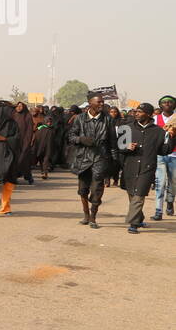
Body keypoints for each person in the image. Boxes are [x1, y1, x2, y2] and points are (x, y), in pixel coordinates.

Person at [118, 103, 175, 233]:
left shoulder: (158, 131)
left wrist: (172, 138)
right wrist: (126, 147)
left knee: (139, 195)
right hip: (130, 167)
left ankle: (133, 224)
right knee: (132, 194)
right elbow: (119, 146)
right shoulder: (126, 128)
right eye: (136, 111)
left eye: (140, 112)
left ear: (149, 114)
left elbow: (164, 150)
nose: (136, 113)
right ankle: (139, 218)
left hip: (147, 167)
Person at [68, 94, 118, 228]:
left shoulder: (108, 119)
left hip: (100, 158)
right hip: (83, 158)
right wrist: (81, 139)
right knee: (83, 189)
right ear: (90, 103)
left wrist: (115, 160)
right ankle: (85, 214)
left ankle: (93, 217)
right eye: (99, 102)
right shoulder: (79, 119)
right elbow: (71, 136)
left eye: (103, 102)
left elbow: (113, 141)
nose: (102, 104)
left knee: (97, 190)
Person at [153, 95, 176, 219]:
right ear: (160, 105)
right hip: (160, 155)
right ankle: (158, 210)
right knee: (159, 184)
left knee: (173, 183)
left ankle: (170, 201)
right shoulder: (155, 119)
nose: (167, 104)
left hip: (174, 155)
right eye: (164, 102)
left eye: (170, 102)